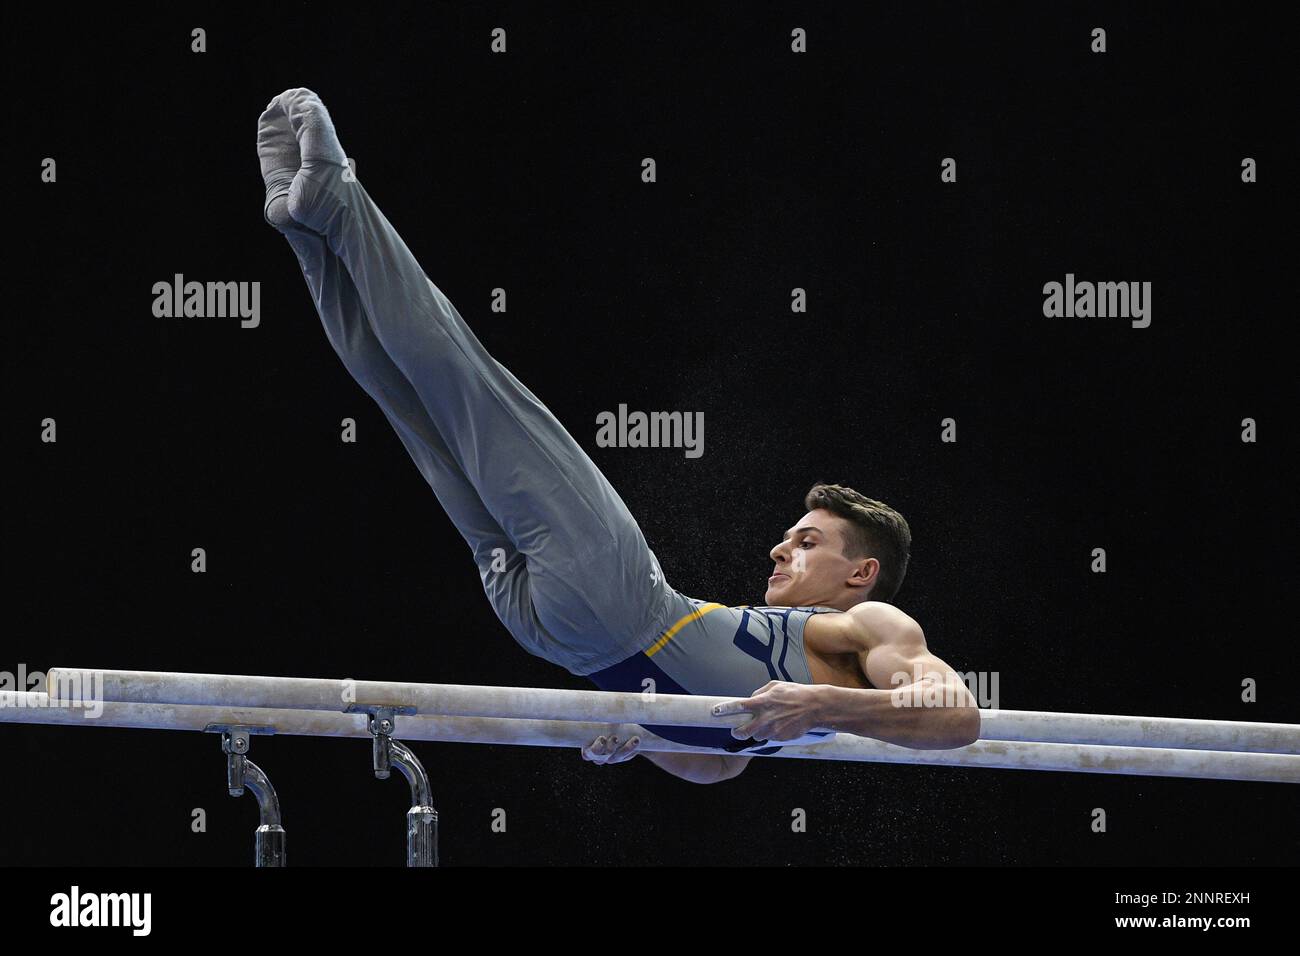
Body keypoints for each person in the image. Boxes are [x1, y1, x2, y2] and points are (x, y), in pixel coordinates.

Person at [256, 88, 979, 785]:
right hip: (573, 638)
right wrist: (653, 736)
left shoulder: (871, 627)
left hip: (614, 607)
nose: (780, 547)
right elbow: (721, 761)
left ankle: (339, 204)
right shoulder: (802, 678)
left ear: (862, 575)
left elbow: (958, 719)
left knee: (462, 383)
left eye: (808, 541)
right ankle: (307, 231)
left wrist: (649, 737)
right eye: (793, 536)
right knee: (411, 400)